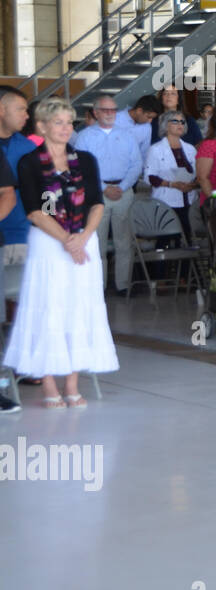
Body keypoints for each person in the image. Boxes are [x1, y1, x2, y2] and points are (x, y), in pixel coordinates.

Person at [5, 98, 118, 409]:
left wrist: (81, 238)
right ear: (42, 126)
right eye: (59, 122)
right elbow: (35, 211)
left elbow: (96, 202)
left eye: (69, 122)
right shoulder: (30, 162)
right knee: (49, 306)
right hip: (49, 242)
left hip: (84, 239)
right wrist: (68, 240)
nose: (66, 128)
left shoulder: (85, 159)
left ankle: (72, 382)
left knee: (80, 307)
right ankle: (49, 384)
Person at [74, 94, 143, 296]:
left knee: (124, 241)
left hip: (124, 190)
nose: (110, 113)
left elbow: (136, 164)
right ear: (95, 112)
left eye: (113, 109)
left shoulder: (127, 135)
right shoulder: (85, 136)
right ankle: (99, 286)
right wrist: (104, 187)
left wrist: (122, 186)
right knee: (97, 242)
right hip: (97, 193)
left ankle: (122, 285)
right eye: (105, 110)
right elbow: (80, 167)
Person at [145, 110, 200, 243]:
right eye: (175, 121)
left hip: (189, 201)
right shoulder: (156, 149)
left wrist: (193, 185)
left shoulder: (190, 149)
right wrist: (172, 184)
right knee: (166, 240)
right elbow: (149, 177)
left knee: (187, 240)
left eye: (182, 121)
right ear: (165, 125)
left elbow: (198, 174)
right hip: (166, 201)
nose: (180, 124)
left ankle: (186, 264)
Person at [0, 88, 36, 273]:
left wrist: (48, 219)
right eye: (21, 109)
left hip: (23, 237)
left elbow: (46, 191)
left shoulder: (28, 147)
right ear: (1, 109)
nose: (27, 116)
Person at [116, 94, 161, 164]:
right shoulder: (115, 120)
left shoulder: (147, 127)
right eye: (148, 117)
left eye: (152, 118)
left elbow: (144, 154)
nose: (150, 121)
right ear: (139, 111)